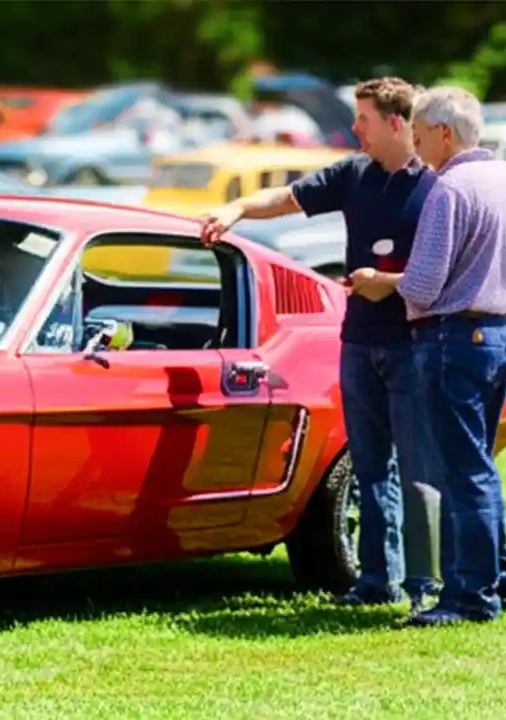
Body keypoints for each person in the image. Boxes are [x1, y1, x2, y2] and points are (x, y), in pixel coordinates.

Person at [198, 77, 441, 613]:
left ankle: (428, 585)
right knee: (372, 466)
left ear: (396, 123)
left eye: (364, 121)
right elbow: (286, 198)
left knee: (421, 467)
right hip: (359, 342)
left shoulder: (436, 186)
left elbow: (446, 274)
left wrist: (388, 282)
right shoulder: (354, 174)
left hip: (415, 347)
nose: (355, 130)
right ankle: (379, 581)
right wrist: (236, 211)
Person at [348, 85, 506, 625]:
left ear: (445, 133)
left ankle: (470, 596)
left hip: (451, 340)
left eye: (422, 136)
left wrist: (380, 282)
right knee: (480, 468)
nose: (419, 149)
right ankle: (502, 579)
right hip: (498, 334)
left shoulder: (450, 189)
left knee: (460, 472)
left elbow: (423, 285)